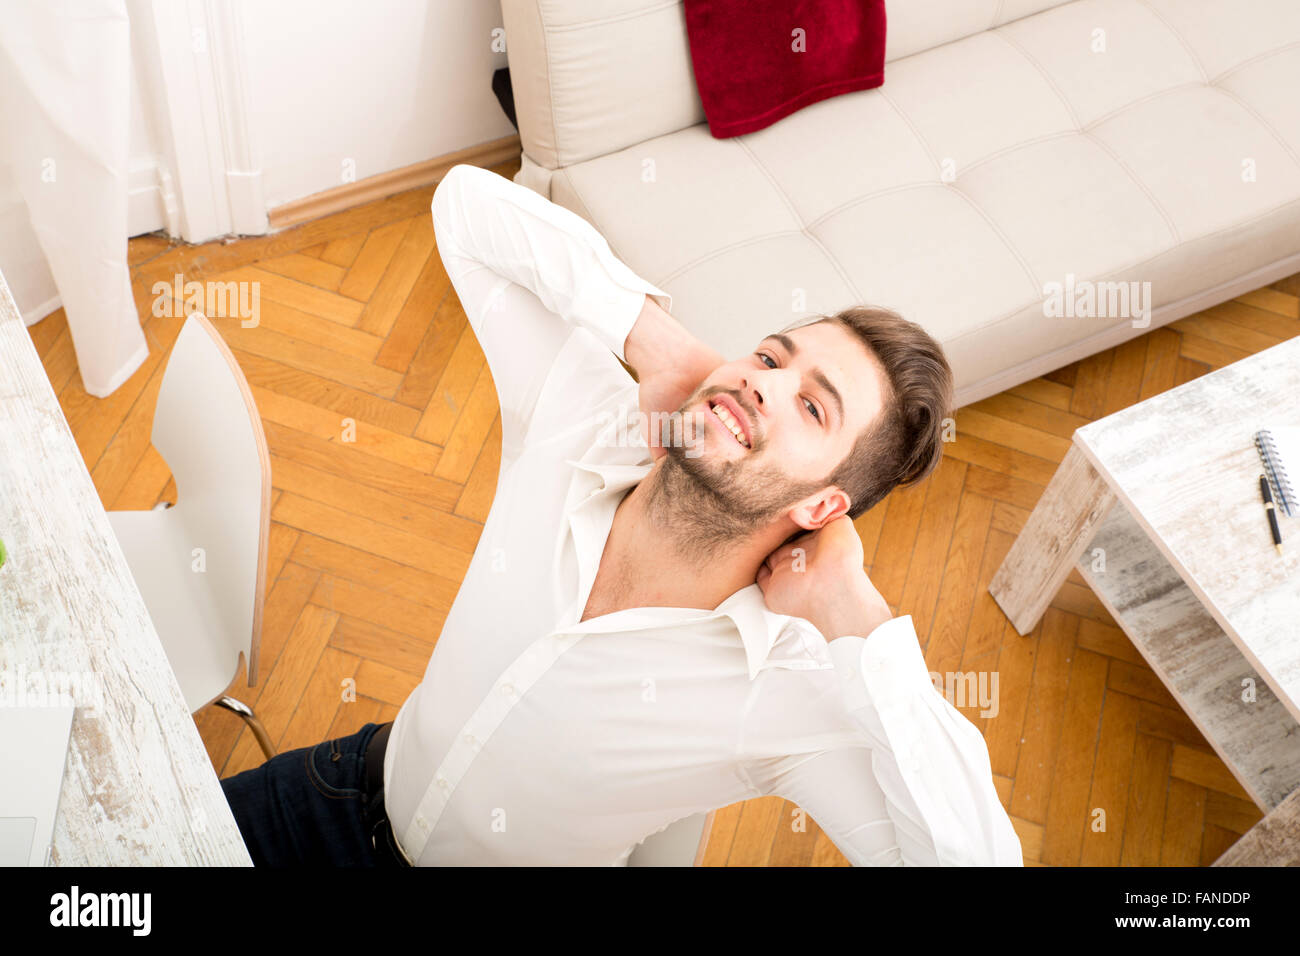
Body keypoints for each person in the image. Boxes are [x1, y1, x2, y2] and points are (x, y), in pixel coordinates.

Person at [220, 162, 1023, 867]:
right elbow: (466, 209)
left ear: (823, 504)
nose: (765, 382)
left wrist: (855, 611)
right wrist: (654, 339)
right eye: (771, 357)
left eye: (812, 407)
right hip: (337, 796)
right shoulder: (581, 415)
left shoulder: (788, 686)